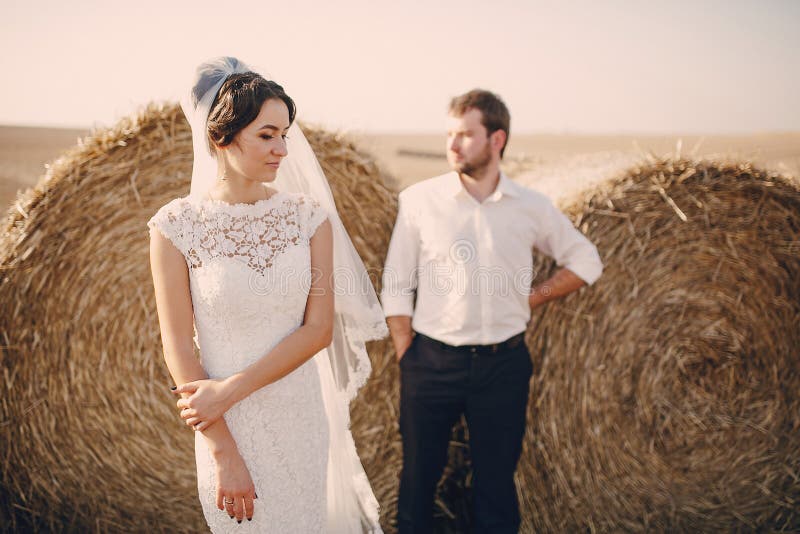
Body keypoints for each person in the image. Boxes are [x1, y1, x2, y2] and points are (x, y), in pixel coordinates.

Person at [147, 56, 387, 533]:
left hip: (299, 419)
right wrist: (223, 450)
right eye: (266, 135)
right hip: (225, 431)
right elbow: (178, 350)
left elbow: (318, 331)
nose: (281, 149)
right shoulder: (175, 226)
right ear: (220, 137)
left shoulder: (309, 218)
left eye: (284, 135)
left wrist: (228, 390)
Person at [381, 89, 604, 533]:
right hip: (431, 363)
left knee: (496, 485)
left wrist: (534, 296)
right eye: (449, 134)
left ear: (496, 139)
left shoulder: (531, 206)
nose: (453, 144)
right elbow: (396, 282)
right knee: (418, 480)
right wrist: (408, 350)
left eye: (465, 134)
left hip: (504, 365)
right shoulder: (420, 201)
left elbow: (586, 261)